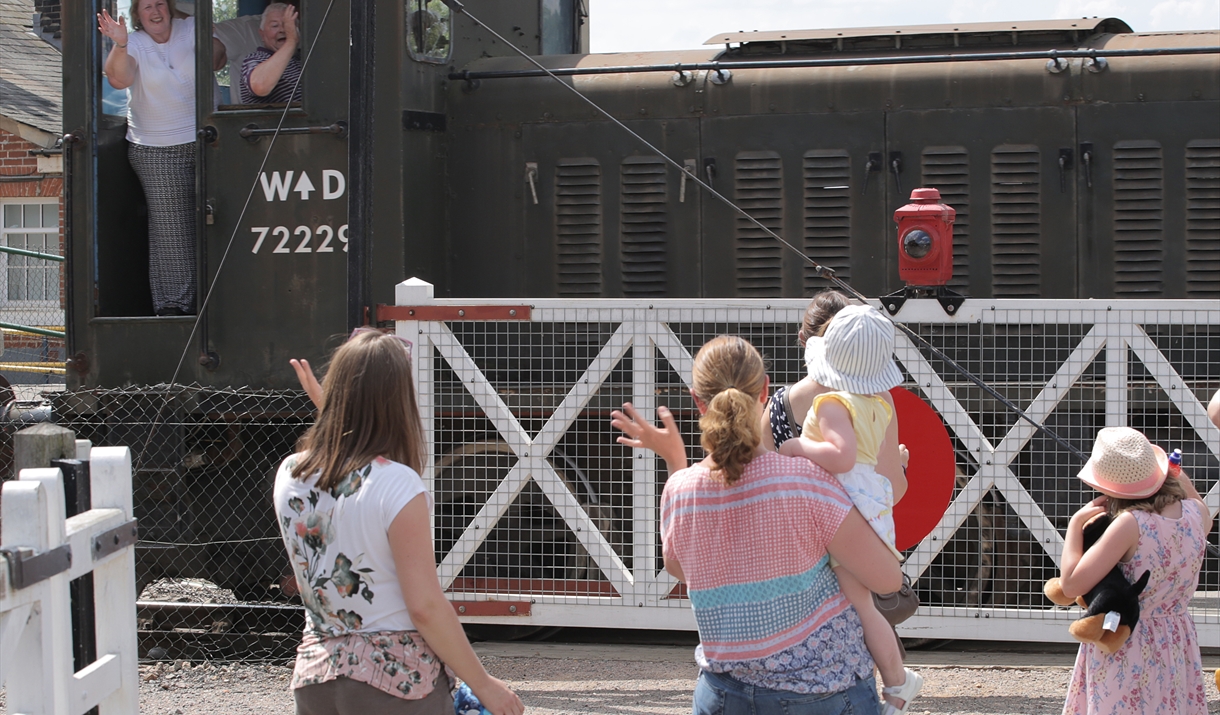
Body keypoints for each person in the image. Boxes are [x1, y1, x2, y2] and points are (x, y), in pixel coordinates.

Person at [633, 335, 903, 714]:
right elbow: (888, 580)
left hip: (724, 696)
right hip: (823, 692)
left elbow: (679, 567)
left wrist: (676, 461)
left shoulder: (680, 489)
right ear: (765, 390)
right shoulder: (806, 481)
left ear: (696, 399)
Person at [274, 330, 524, 715]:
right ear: (398, 398)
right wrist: (484, 684)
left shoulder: (290, 473)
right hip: (395, 681)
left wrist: (331, 411)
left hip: (316, 676)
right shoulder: (397, 484)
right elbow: (424, 606)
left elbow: (337, 471)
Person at [777, 304, 920, 715]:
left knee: (860, 604)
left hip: (839, 515)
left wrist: (799, 446)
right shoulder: (882, 405)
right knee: (862, 602)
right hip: (873, 511)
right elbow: (889, 481)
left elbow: (840, 458)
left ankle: (897, 679)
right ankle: (888, 679)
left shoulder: (831, 405)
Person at [1058, 426, 1212, 714]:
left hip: (1129, 636)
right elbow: (1201, 506)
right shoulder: (1195, 514)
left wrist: (1075, 526)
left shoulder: (1131, 524)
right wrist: (1172, 473)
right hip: (1176, 637)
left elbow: (1071, 585)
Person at [97, 0, 220, 316]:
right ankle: (175, 308)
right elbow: (119, 79)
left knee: (220, 220)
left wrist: (211, 38)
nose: (155, 11)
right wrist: (121, 44)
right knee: (172, 232)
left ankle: (223, 303)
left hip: (210, 140)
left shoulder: (192, 27)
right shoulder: (133, 42)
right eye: (147, 5)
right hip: (156, 150)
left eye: (160, 4)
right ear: (138, 14)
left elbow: (217, 59)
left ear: (170, 8)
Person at [240, 3, 304, 105]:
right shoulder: (255, 59)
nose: (283, 30)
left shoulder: (305, 58)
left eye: (288, 25)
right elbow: (260, 86)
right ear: (262, 34)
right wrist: (291, 41)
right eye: (275, 26)